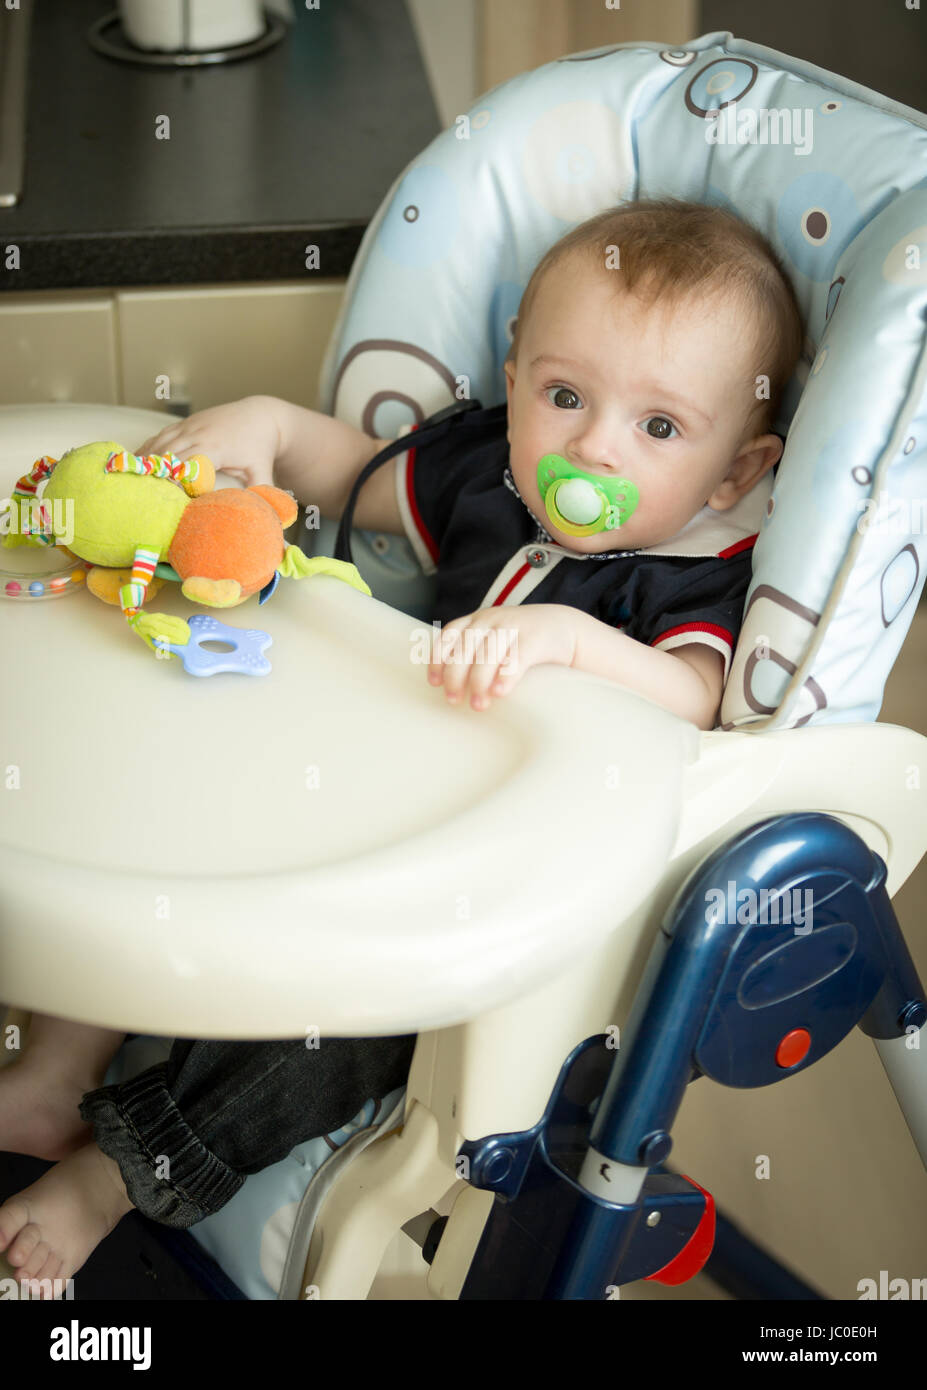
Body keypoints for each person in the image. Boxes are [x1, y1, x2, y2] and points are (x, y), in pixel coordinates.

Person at [0, 197, 804, 1294]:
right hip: (355, 789)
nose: (592, 446)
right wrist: (267, 428)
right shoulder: (492, 477)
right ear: (515, 375)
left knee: (336, 1026)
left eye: (658, 428)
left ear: (732, 472)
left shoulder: (690, 577)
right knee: (173, 807)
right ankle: (54, 1068)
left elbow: (698, 698)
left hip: (480, 909)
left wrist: (569, 642)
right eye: (564, 395)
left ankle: (120, 1173)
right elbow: (351, 472)